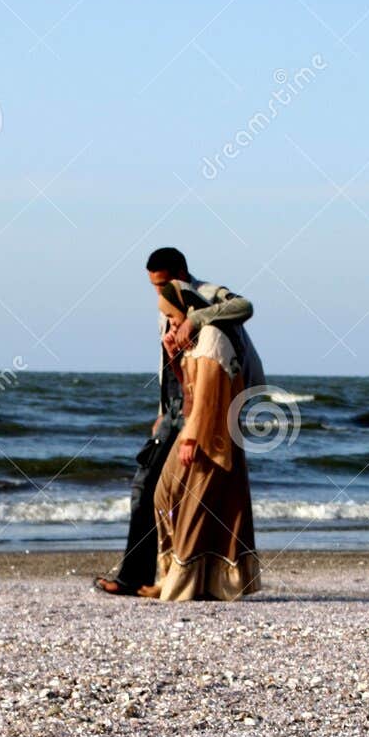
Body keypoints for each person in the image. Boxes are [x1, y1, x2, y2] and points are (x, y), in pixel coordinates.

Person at [94, 248, 258, 597]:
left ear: (181, 273)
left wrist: (196, 319)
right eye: (154, 286)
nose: (159, 293)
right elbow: (171, 363)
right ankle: (154, 574)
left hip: (210, 407)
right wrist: (160, 410)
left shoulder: (209, 294)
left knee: (171, 489)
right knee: (153, 488)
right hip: (176, 406)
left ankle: (166, 577)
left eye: (164, 283)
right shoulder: (165, 308)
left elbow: (245, 308)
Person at [139, 286, 262, 602]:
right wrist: (173, 358)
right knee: (164, 497)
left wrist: (192, 436)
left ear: (187, 310)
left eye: (171, 316)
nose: (169, 323)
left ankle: (184, 584)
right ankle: (172, 576)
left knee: (194, 508)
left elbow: (208, 394)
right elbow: (188, 388)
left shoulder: (211, 339)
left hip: (211, 435)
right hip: (195, 429)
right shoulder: (192, 340)